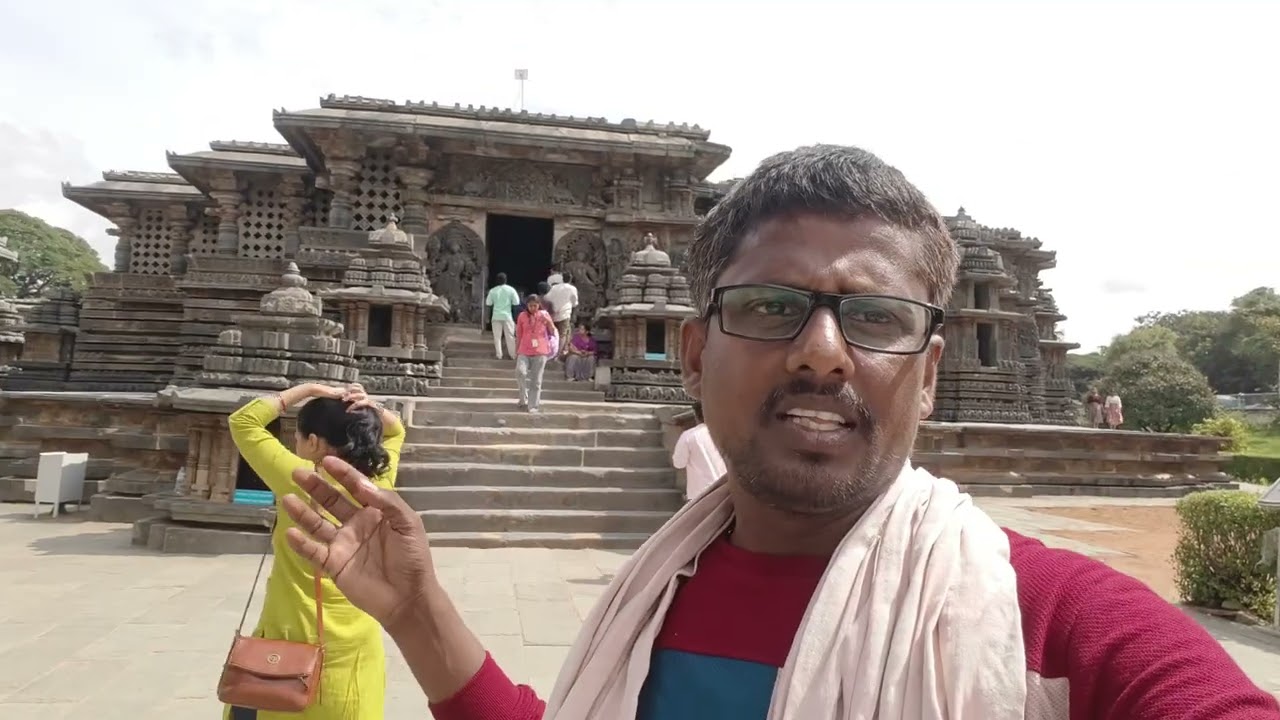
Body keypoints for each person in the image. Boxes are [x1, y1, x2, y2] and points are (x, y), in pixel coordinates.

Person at [277, 146, 1280, 720]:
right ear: (687, 350)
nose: (821, 354)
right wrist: (415, 610)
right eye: (766, 307)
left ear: (930, 374)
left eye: (876, 319)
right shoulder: (656, 594)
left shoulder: (1051, 625)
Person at [224, 381, 405, 720]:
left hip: (288, 642)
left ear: (313, 442)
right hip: (356, 642)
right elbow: (396, 433)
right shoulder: (378, 483)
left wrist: (306, 389)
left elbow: (243, 421)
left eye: (298, 437)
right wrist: (370, 406)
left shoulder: (299, 476)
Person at [671, 402, 726, 501]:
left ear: (696, 415)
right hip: (725, 492)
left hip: (699, 494)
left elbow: (679, 463)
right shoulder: (724, 434)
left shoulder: (688, 436)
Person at [514, 294, 556, 413]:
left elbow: (552, 331)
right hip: (524, 349)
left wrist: (548, 322)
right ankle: (523, 395)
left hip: (540, 350)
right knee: (520, 372)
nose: (533, 308)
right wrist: (516, 350)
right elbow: (519, 334)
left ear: (539, 305)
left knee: (536, 380)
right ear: (527, 305)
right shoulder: (522, 316)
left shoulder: (544, 315)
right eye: (530, 305)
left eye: (535, 305)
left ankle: (533, 405)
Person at [485, 273, 521, 359]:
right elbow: (516, 302)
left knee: (497, 337)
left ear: (496, 281)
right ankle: (513, 355)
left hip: (496, 316)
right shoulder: (511, 290)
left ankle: (499, 355)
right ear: (506, 280)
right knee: (510, 336)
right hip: (507, 316)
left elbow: (488, 303)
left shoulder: (492, 291)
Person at [543, 272, 579, 356]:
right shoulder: (572, 289)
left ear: (562, 279)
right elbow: (575, 302)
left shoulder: (554, 287)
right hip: (565, 314)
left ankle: (550, 351)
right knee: (563, 334)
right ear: (570, 280)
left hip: (553, 314)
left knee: (552, 333)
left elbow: (547, 298)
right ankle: (558, 354)